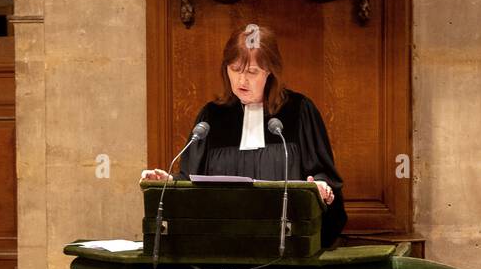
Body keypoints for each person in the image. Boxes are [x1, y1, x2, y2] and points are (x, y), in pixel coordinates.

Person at [140, 25, 347, 248]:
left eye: (252, 72)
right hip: (220, 247)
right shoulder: (211, 117)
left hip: (287, 245)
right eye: (235, 69)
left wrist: (321, 187)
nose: (241, 81)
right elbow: (193, 183)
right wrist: (170, 182)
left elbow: (324, 179)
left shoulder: (299, 112)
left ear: (270, 71)